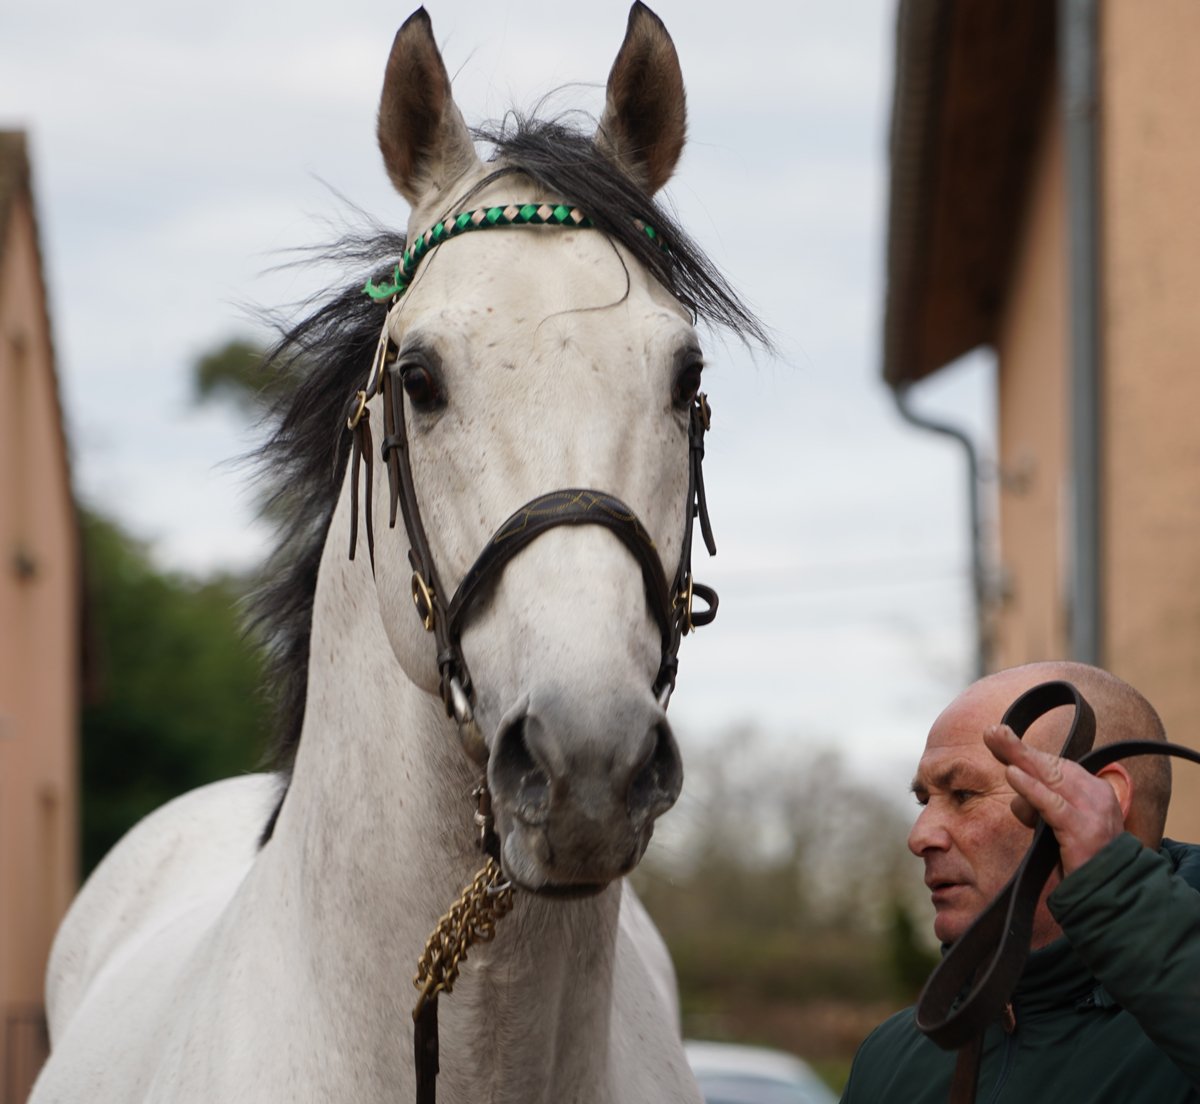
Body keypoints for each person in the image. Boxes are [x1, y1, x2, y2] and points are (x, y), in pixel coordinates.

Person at [840, 661, 1200, 1102]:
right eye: (924, 800)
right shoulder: (890, 1061)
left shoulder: (1176, 1052)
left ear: (1101, 798)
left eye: (964, 795)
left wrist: (1114, 891)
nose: (919, 837)